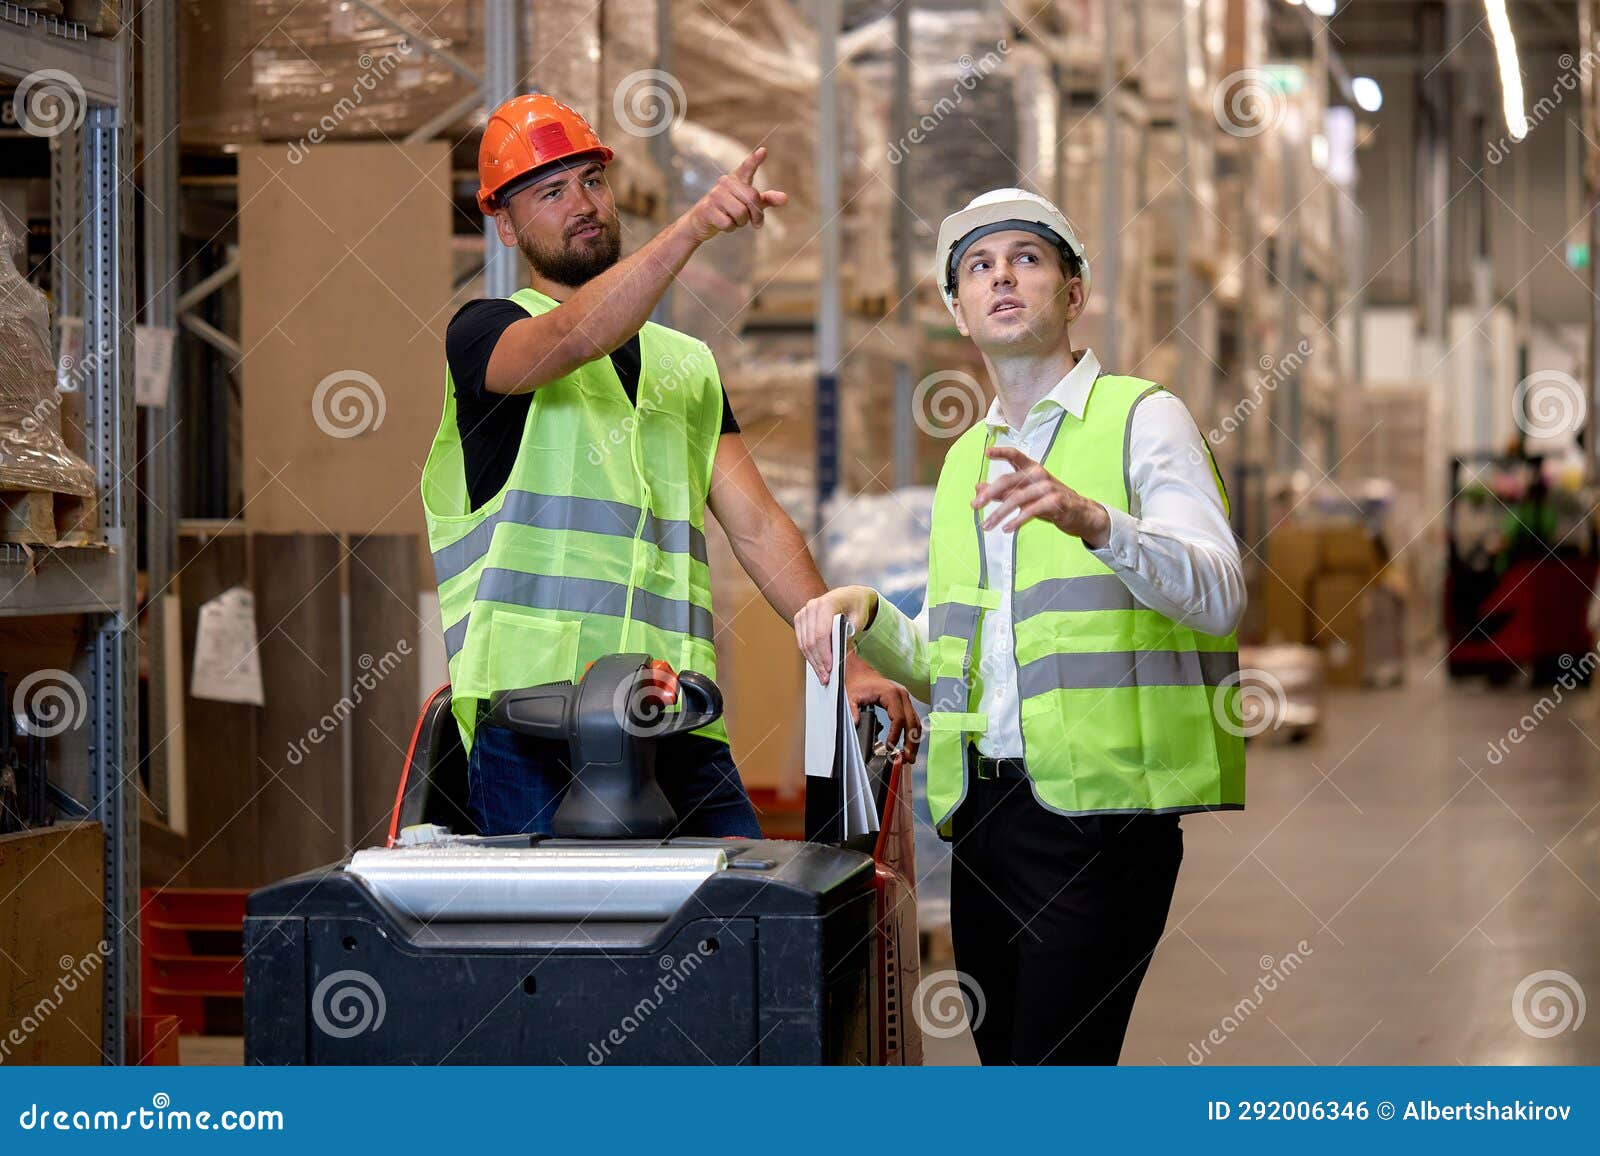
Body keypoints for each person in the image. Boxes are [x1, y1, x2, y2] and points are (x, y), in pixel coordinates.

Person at [794, 188, 1246, 1064]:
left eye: (1027, 258)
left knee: (1056, 1073)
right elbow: (952, 657)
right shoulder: (970, 454)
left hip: (1102, 819)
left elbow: (1221, 593)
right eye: (978, 267)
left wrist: (1096, 522)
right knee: (1009, 1071)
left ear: (1074, 294)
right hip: (985, 817)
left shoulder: (1142, 419)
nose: (1002, 276)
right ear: (960, 311)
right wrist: (873, 616)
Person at [422, 94, 918, 838]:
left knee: (746, 924)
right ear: (507, 223)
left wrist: (846, 664)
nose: (582, 204)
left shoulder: (684, 366)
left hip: (672, 711)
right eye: (549, 192)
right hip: (532, 722)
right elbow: (577, 335)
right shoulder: (486, 334)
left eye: (592, 181)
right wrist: (693, 228)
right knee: (560, 947)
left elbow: (757, 528)